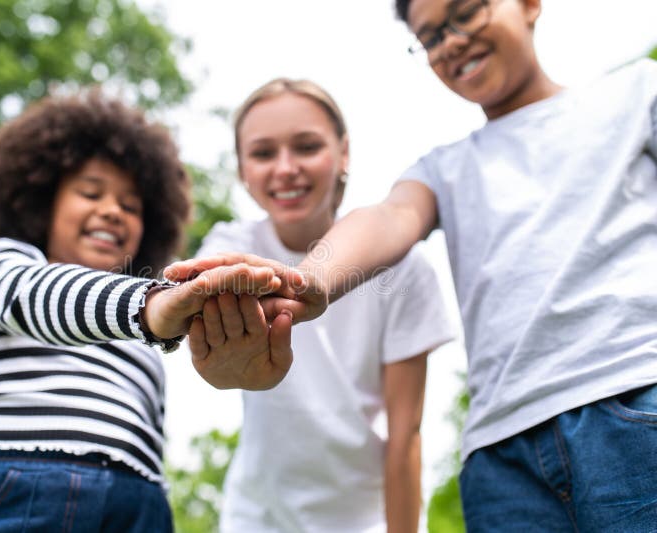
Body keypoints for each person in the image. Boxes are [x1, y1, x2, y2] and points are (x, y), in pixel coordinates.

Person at [169, 0, 657, 531]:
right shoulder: (441, 169)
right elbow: (392, 215)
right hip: (501, 453)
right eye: (431, 37)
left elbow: (407, 437)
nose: (451, 42)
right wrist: (312, 280)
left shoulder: (635, 94)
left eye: (467, 13)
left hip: (632, 398)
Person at [0, 88, 300, 533]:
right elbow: (35, 294)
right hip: (10, 487)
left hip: (137, 504)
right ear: (43, 203)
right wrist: (150, 307)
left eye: (130, 206)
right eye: (90, 193)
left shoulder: (148, 344)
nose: (112, 212)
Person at [191, 78, 454, 533]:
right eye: (263, 153)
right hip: (255, 518)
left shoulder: (404, 270)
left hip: (364, 521)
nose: (286, 168)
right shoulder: (231, 245)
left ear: (344, 153)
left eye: (307, 146)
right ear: (242, 170)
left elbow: (405, 434)